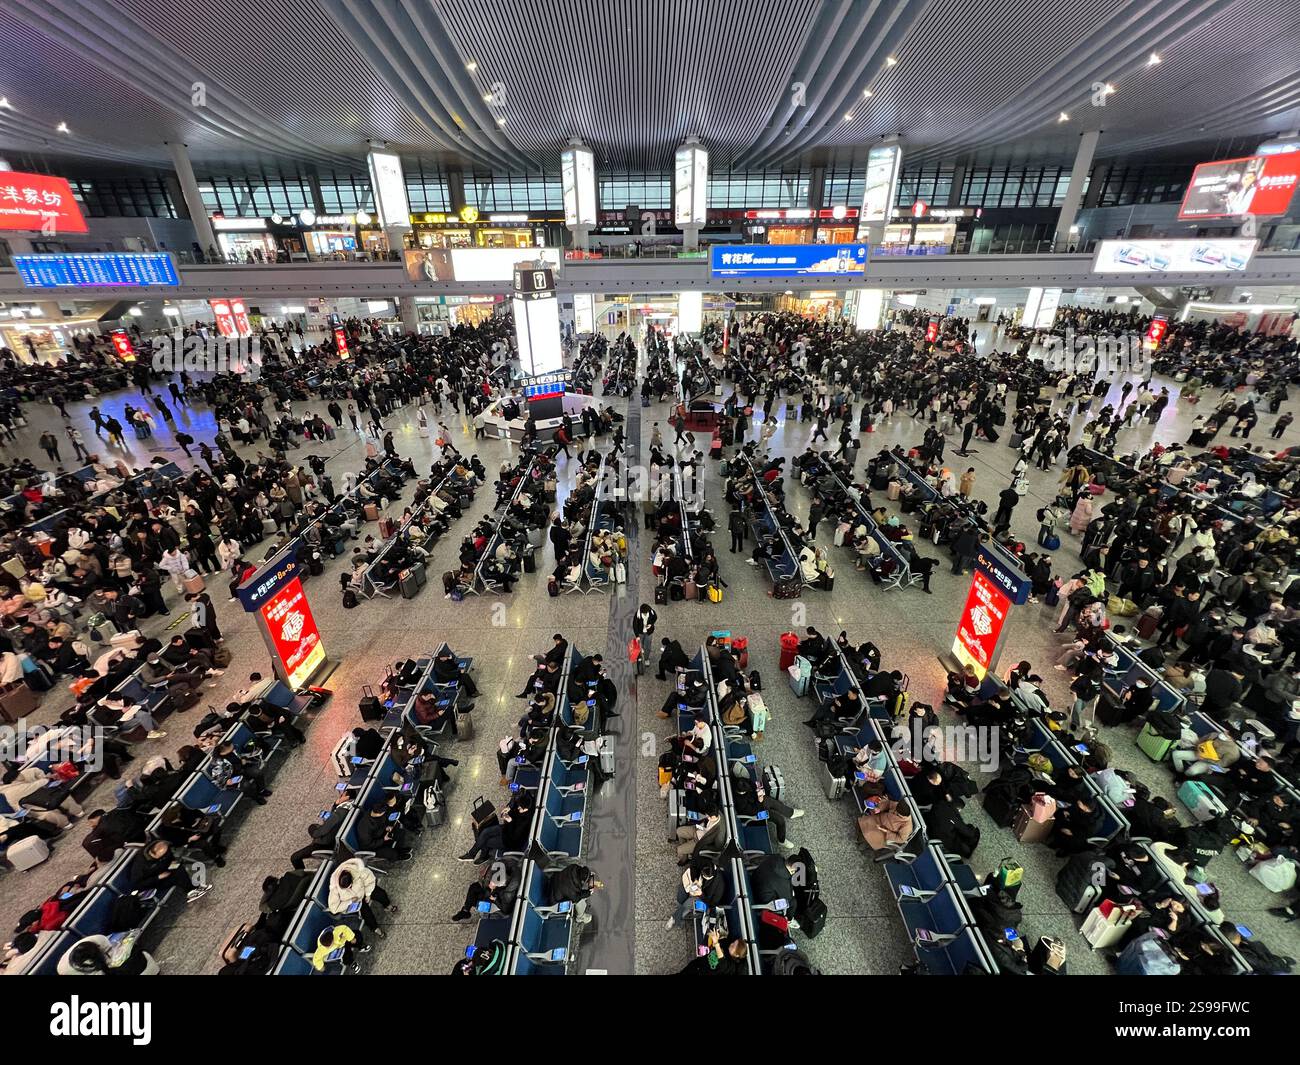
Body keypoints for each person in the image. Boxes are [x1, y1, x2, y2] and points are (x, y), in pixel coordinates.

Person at [328, 856, 397, 936]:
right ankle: (375, 929)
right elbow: (334, 908)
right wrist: (349, 902)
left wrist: (368, 894)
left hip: (364, 890)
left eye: (350, 886)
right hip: (356, 901)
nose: (350, 888)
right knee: (367, 914)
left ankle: (387, 905)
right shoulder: (334, 888)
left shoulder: (357, 869)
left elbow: (369, 880)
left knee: (380, 894)